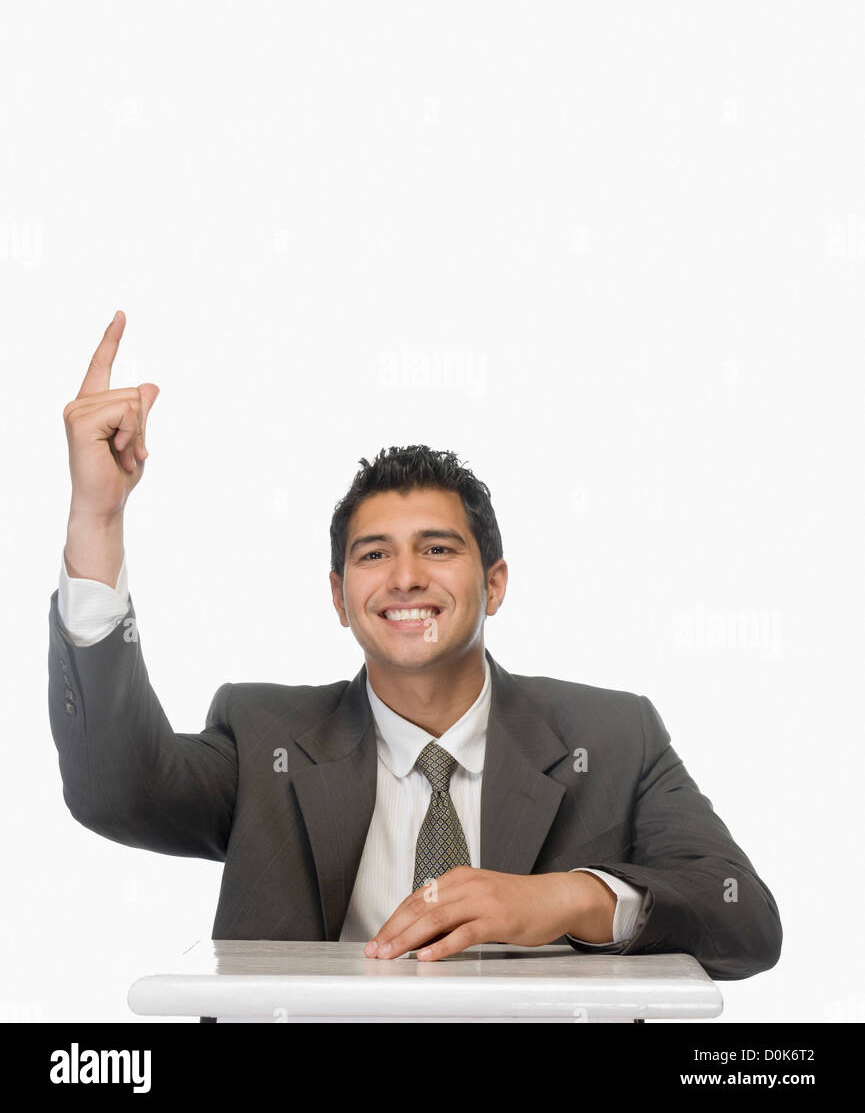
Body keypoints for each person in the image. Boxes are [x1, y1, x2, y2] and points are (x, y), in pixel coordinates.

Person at [50, 311, 782, 985]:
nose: (405, 578)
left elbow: (742, 917)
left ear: (494, 584)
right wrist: (97, 514)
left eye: (436, 548)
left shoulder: (614, 738)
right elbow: (115, 790)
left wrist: (565, 899)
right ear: (338, 598)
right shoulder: (262, 739)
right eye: (373, 556)